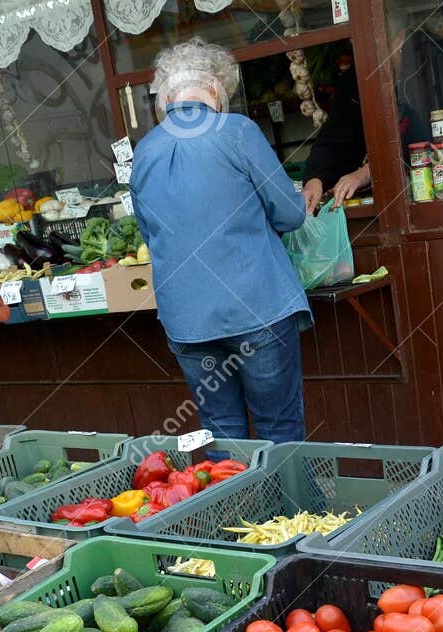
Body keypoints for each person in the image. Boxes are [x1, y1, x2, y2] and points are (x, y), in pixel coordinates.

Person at [131, 39, 311, 443]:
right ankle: (290, 508)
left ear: (168, 95)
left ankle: (233, 508)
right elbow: (291, 213)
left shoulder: (144, 151)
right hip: (257, 308)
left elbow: (150, 233)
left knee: (221, 433)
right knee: (278, 428)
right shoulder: (238, 131)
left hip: (186, 321)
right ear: (214, 88)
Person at [301, 63, 370, 214]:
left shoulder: (410, 81)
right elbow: (333, 141)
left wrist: (364, 174)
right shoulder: (351, 82)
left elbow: (407, 146)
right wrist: (315, 178)